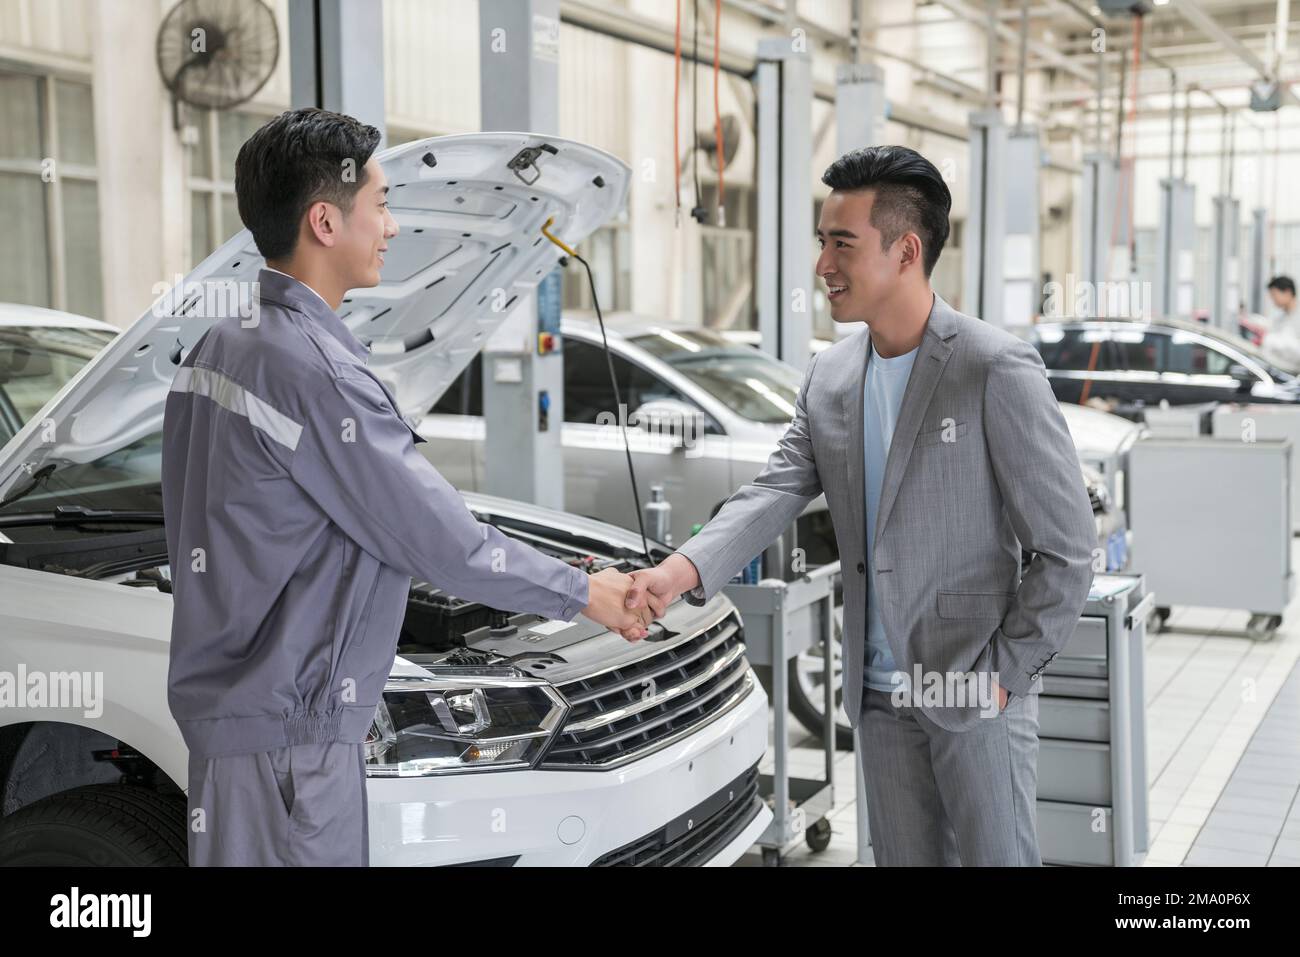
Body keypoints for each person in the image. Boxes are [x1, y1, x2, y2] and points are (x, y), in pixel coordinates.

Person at [161, 108, 650, 867]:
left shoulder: (219, 345)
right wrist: (587, 594)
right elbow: (442, 543)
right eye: (381, 204)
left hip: (240, 731)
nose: (391, 226)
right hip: (293, 746)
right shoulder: (312, 370)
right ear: (325, 221)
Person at [627, 145, 1095, 865]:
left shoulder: (990, 367)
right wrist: (682, 571)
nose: (823, 265)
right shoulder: (832, 373)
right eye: (822, 242)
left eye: (841, 243)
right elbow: (778, 485)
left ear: (907, 250)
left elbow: (1065, 549)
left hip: (972, 687)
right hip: (877, 699)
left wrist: (1005, 676)